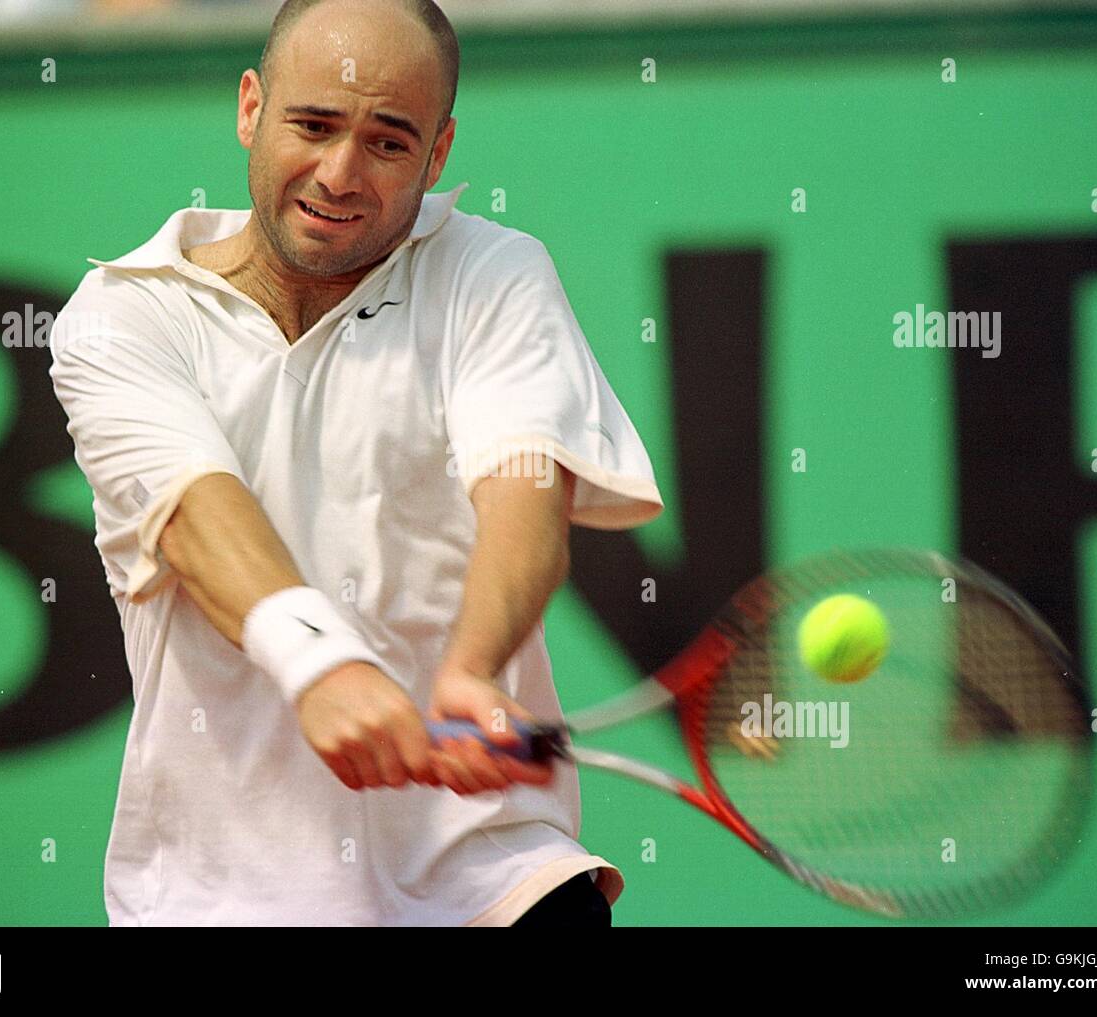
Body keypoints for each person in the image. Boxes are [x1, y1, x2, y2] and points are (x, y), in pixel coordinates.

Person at [49, 0, 663, 926]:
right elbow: (196, 514)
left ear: (439, 153)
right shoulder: (121, 315)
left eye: (387, 142)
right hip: (218, 902)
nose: (340, 173)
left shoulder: (492, 273)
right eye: (314, 125)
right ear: (251, 107)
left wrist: (472, 667)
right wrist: (322, 665)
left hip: (496, 887)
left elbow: (525, 502)